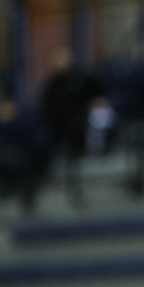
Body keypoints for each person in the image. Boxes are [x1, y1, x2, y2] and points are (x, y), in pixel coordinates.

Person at [41, 46, 106, 207]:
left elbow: (96, 91)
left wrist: (97, 101)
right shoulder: (52, 85)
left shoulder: (78, 78)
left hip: (78, 125)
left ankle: (96, 146)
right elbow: (46, 110)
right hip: (57, 128)